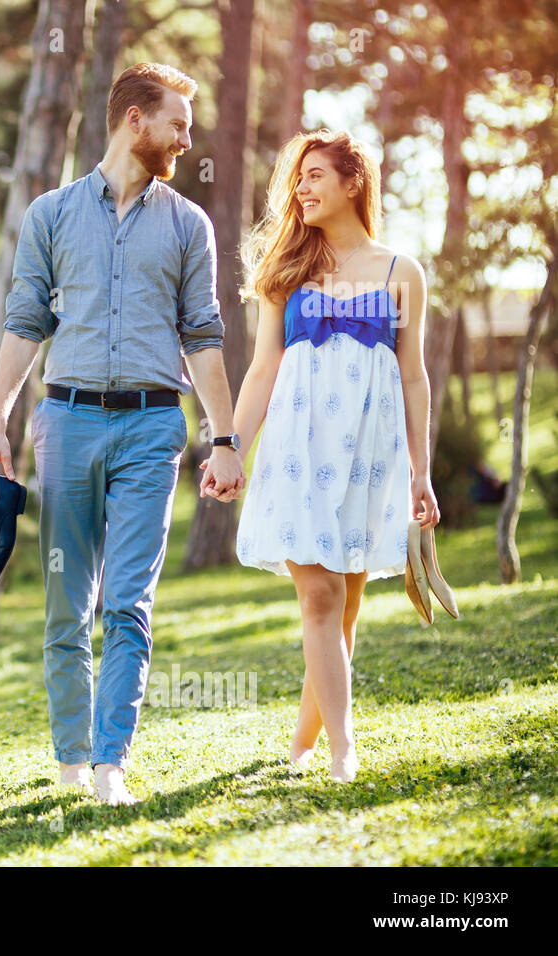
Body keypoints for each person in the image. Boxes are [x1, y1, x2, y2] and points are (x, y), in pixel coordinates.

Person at [0, 63, 243, 805]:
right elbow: (25, 327)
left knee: (129, 601)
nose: (187, 140)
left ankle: (110, 766)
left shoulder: (190, 225)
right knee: (69, 601)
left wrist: (225, 440)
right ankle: (71, 755)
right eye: (178, 125)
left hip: (155, 426)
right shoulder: (51, 216)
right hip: (65, 424)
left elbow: (205, 336)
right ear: (134, 120)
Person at [219, 129, 441, 782]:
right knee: (317, 594)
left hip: (368, 456)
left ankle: (302, 746)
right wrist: (231, 447)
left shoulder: (402, 273)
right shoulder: (286, 269)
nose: (302, 188)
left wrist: (420, 473)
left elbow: (414, 377)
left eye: (315, 175)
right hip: (296, 446)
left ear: (354, 183)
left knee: (344, 605)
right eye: (298, 178)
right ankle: (344, 750)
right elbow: (261, 371)